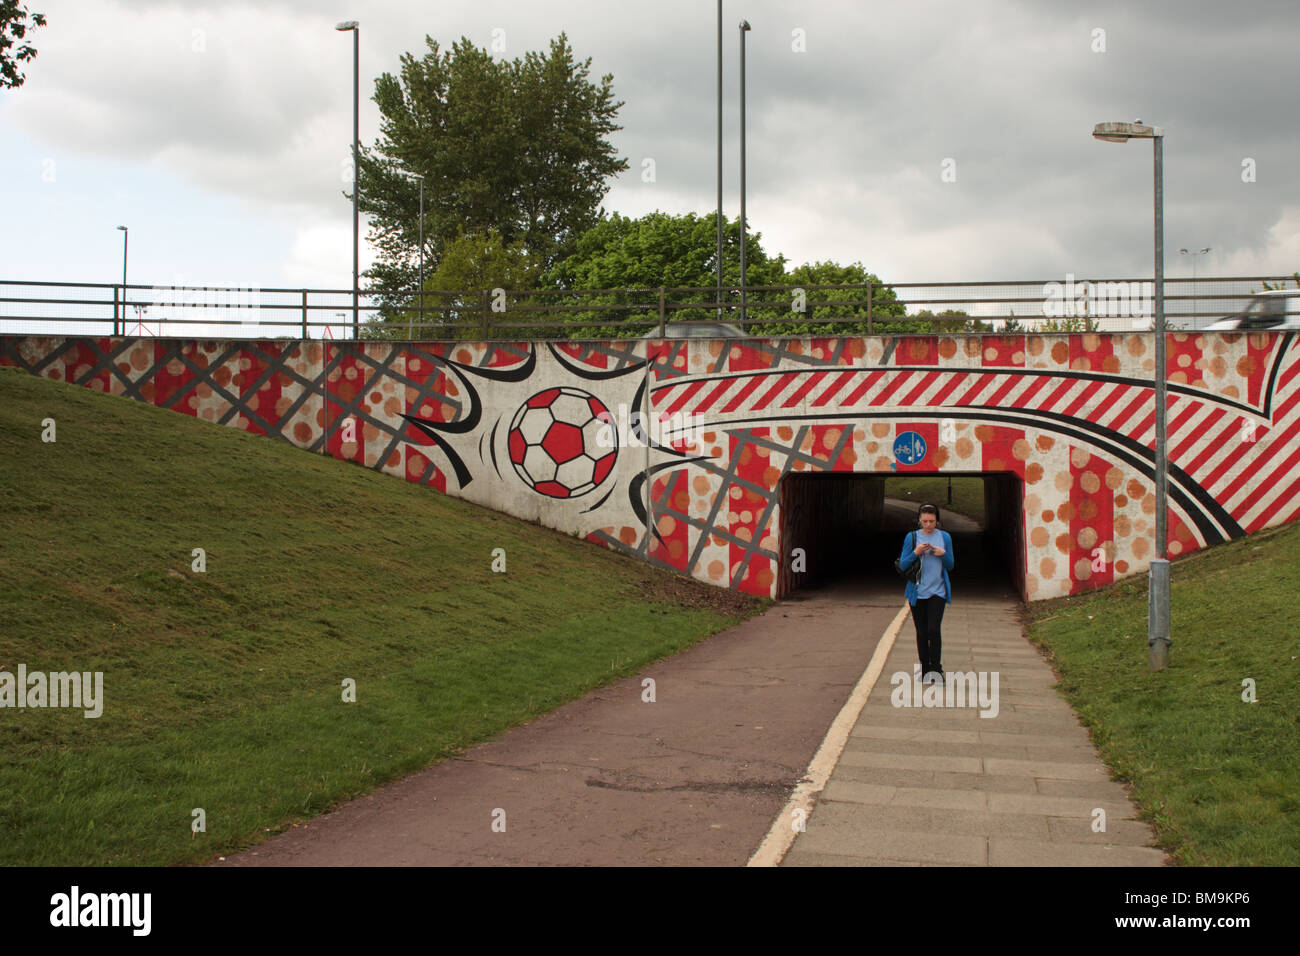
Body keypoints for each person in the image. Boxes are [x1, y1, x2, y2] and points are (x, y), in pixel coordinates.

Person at [898, 503, 955, 684]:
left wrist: (942, 554)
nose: (928, 525)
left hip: (937, 591)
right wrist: (916, 552)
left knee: (933, 630)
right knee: (921, 632)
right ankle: (925, 669)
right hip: (917, 591)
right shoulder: (912, 537)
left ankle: (936, 669)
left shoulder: (944, 537)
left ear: (937, 520)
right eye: (925, 521)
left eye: (931, 521)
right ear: (919, 520)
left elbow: (951, 564)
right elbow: (903, 565)